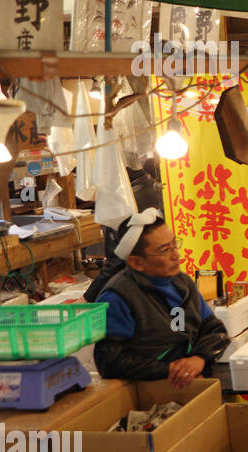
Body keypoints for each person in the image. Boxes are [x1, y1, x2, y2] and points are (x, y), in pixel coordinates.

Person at [94, 210, 230, 385]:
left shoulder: (182, 284)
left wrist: (199, 359)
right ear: (136, 262)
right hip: (150, 392)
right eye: (165, 250)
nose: (176, 255)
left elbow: (214, 330)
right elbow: (110, 362)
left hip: (193, 383)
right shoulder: (117, 298)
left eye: (174, 245)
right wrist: (172, 369)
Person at [86, 159, 166, 303]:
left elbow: (117, 260)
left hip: (144, 290)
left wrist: (88, 297)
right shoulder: (150, 186)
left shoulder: (123, 203)